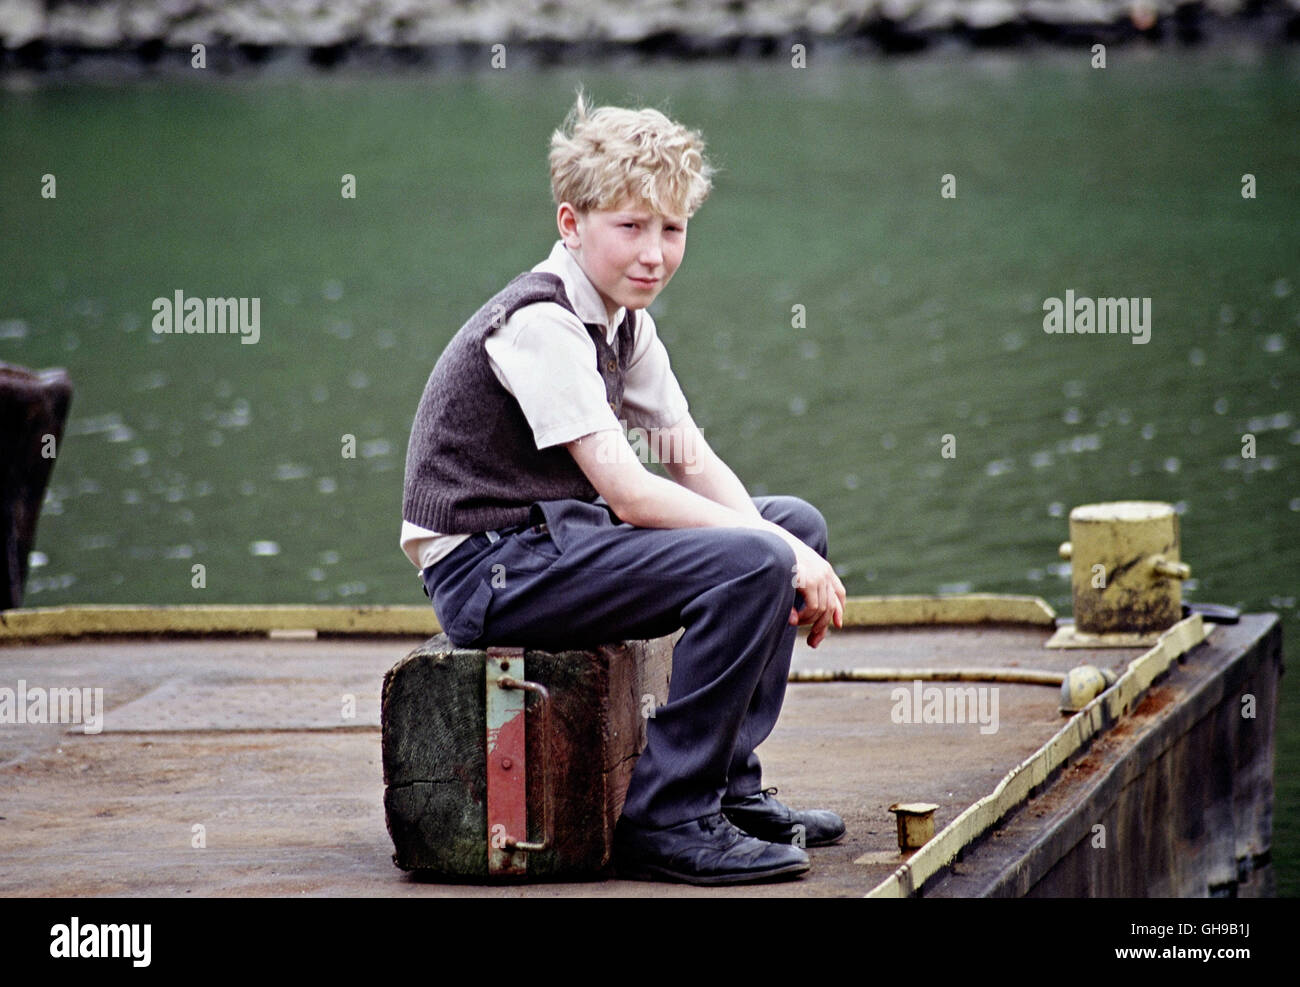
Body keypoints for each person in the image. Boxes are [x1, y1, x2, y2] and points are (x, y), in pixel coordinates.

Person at [400, 90, 847, 885]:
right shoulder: (540, 323)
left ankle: (727, 789)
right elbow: (631, 492)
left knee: (793, 524)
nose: (654, 253)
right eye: (630, 227)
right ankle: (668, 815)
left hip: (559, 540)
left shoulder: (625, 320)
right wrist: (769, 552)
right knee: (753, 557)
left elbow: (690, 458)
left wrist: (785, 543)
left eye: (671, 229)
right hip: (488, 570)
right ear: (572, 224)